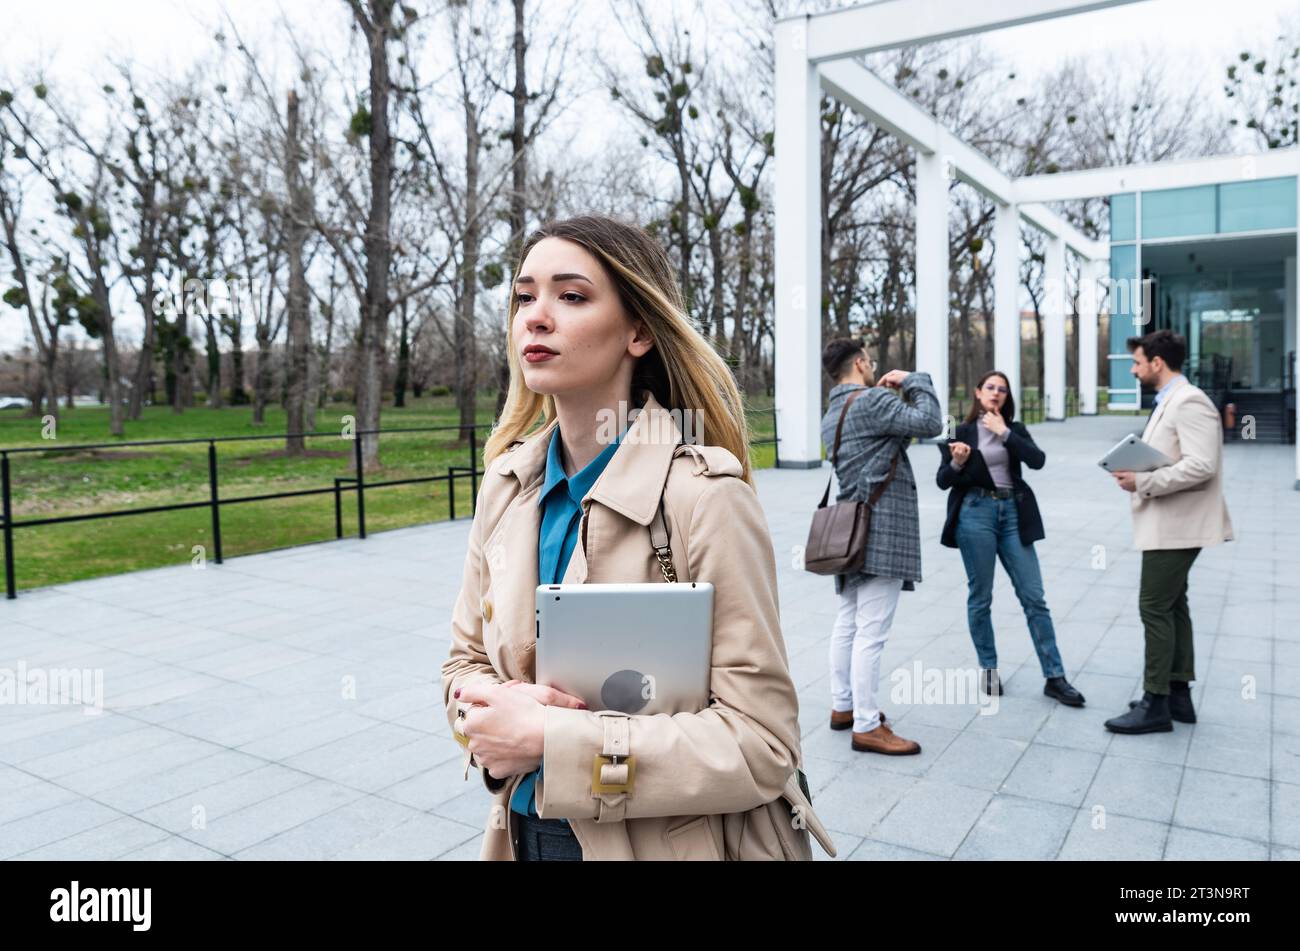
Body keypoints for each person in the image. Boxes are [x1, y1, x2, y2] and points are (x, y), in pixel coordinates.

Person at [442, 215, 834, 860]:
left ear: (640, 332)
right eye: (523, 297)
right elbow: (462, 664)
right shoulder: (505, 486)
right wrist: (487, 718)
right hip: (521, 832)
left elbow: (763, 744)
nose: (536, 317)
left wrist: (553, 739)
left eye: (571, 296)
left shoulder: (706, 498)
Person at [1104, 329, 1233, 734]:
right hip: (1171, 521)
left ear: (1157, 363)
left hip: (1179, 524)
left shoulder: (1190, 401)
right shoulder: (1169, 401)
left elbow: (1201, 466)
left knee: (1154, 607)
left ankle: (1155, 701)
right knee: (1174, 606)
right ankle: (1178, 697)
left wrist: (1143, 482)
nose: (1134, 370)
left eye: (1138, 363)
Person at [819, 337, 943, 755]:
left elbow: (883, 446)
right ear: (859, 362)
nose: (873, 366)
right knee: (871, 631)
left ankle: (844, 706)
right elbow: (929, 423)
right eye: (869, 361)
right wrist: (915, 380)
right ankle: (867, 725)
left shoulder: (834, 411)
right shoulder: (870, 402)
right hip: (880, 527)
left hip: (849, 528)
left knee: (849, 621)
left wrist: (889, 399)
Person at [936, 371, 1086, 706]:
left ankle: (1055, 676)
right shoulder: (960, 432)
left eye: (1002, 389)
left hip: (1013, 514)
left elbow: (1038, 461)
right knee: (981, 597)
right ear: (977, 393)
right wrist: (958, 464)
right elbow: (943, 480)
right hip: (975, 514)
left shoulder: (1013, 430)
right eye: (990, 387)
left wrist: (1004, 433)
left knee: (1034, 596)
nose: (996, 392)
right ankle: (988, 669)